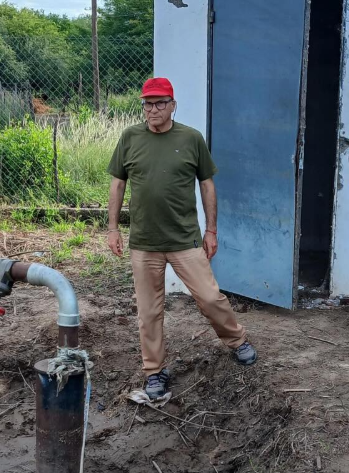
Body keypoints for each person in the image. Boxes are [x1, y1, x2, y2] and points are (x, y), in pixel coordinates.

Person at [107, 77, 257, 400]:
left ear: (173, 105)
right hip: (144, 243)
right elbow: (118, 184)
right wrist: (112, 228)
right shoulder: (130, 138)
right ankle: (154, 372)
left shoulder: (191, 139)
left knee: (209, 297)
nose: (153, 109)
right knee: (148, 312)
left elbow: (207, 184)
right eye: (148, 103)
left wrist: (211, 230)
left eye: (161, 103)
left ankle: (237, 340)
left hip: (185, 240)